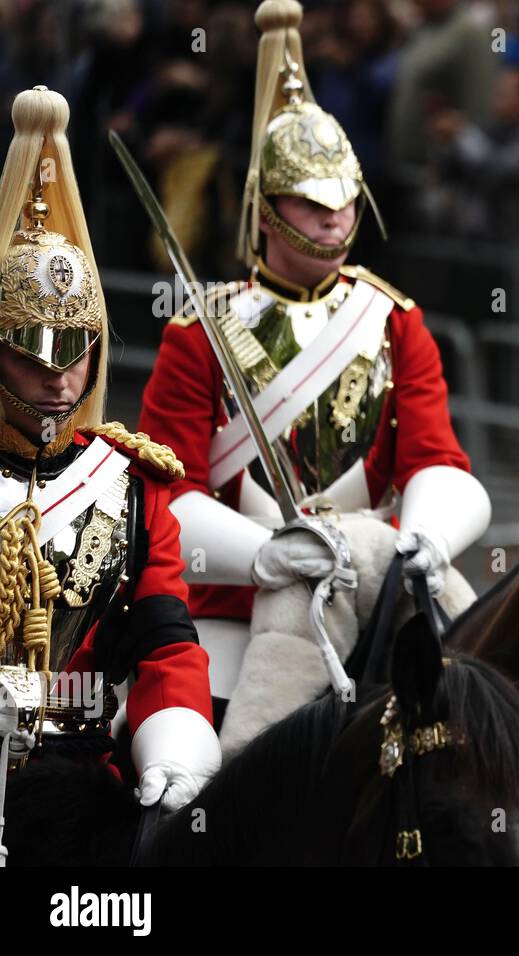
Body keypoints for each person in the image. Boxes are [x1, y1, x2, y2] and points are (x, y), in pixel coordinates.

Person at [136, 1, 489, 723]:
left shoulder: (395, 321)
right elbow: (166, 491)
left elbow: (434, 459)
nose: (335, 218)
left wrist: (427, 537)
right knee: (194, 768)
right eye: (310, 203)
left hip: (370, 600)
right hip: (236, 605)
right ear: (267, 211)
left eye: (345, 202)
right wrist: (264, 556)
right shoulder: (199, 331)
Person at [0, 86, 218, 811]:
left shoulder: (131, 482)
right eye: (32, 351)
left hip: (82, 776)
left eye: (76, 350)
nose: (59, 375)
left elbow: (163, 645)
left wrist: (177, 740)